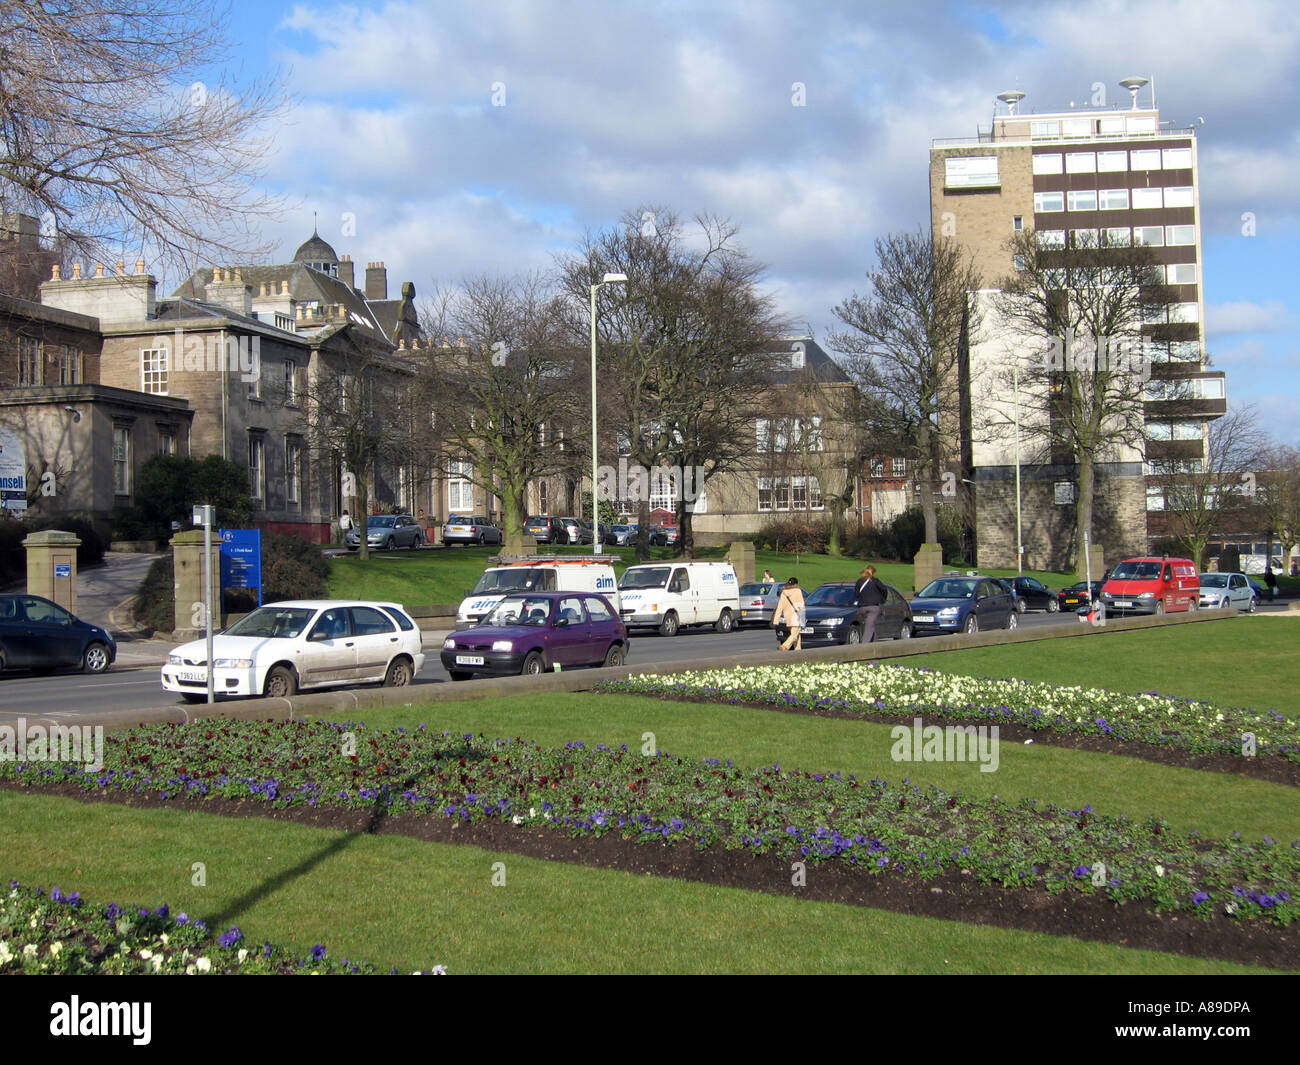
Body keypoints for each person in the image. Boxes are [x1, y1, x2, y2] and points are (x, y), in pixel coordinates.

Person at [853, 564, 888, 642]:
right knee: (869, 627)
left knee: (870, 625)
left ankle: (875, 644)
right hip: (874, 608)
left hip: (862, 608)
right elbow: (884, 590)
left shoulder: (859, 581)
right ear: (873, 572)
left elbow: (856, 594)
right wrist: (882, 599)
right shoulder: (875, 581)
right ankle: (864, 647)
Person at [773, 577, 806, 651]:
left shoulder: (783, 593)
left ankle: (798, 649)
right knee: (794, 635)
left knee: (796, 634)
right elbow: (801, 605)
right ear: (796, 584)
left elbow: (779, 607)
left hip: (787, 617)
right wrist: (803, 617)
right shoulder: (798, 591)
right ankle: (785, 646)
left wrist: (776, 620)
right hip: (796, 616)